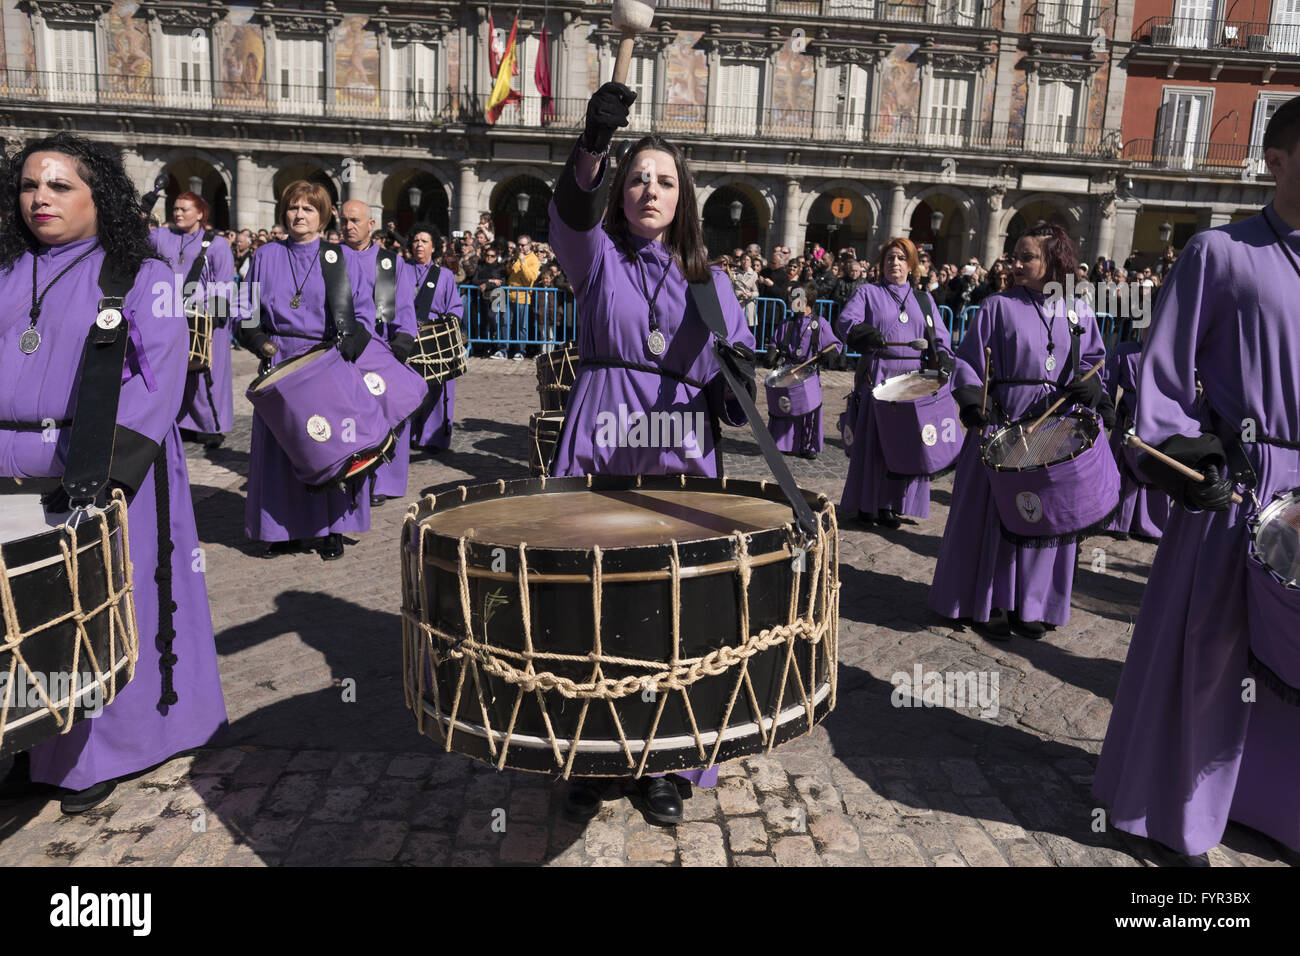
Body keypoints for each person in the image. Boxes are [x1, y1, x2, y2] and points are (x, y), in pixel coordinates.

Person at [1093, 97, 1300, 861]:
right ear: (1276, 161)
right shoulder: (1221, 252)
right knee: (1211, 654)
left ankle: (1275, 807)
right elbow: (1162, 371)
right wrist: (1186, 458)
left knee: (1294, 663)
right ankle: (1174, 812)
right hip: (1240, 482)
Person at [0, 133, 227, 813]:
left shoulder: (142, 276)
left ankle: (92, 756)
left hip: (101, 475)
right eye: (29, 186)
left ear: (101, 197)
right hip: (9, 473)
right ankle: (28, 740)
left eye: (60, 185)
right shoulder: (6, 269)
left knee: (93, 608)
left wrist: (100, 482)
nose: (40, 198)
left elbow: (156, 389)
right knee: (22, 620)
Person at [548, 82, 755, 826]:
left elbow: (734, 381)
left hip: (679, 443)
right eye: (637, 177)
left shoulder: (710, 281)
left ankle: (662, 756)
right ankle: (593, 753)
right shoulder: (595, 254)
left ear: (684, 198)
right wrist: (595, 141)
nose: (648, 189)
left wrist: (739, 388)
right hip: (603, 431)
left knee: (672, 605)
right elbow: (571, 211)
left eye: (665, 180)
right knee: (588, 601)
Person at [928, 224, 1107, 639]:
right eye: (1015, 256)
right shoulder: (996, 306)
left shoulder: (1078, 308)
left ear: (1054, 261)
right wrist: (974, 400)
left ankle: (1032, 604)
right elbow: (968, 361)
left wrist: (1091, 383)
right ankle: (987, 601)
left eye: (1027, 256)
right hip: (1002, 421)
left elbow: (1096, 358)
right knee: (994, 511)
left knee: (1045, 514)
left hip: (1055, 426)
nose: (1016, 264)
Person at [236, 181, 376, 561]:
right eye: (293, 207)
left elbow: (364, 314)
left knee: (325, 445)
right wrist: (261, 343)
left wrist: (345, 349)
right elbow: (245, 310)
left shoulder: (338, 258)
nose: (299, 215)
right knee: (281, 449)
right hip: (280, 360)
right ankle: (282, 530)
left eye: (309, 209)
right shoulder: (265, 255)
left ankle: (330, 529)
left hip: (323, 362)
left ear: (324, 215)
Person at [835, 237, 955, 528]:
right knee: (874, 443)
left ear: (911, 264)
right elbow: (845, 322)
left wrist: (944, 355)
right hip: (878, 374)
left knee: (903, 445)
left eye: (901, 258)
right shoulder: (868, 292)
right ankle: (868, 504)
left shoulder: (923, 299)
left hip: (913, 381)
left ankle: (892, 505)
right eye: (890, 258)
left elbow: (939, 335)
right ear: (882, 264)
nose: (895, 263)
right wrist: (863, 332)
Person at [338, 199, 418, 506]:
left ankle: (382, 481)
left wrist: (401, 343)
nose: (348, 226)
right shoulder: (330, 258)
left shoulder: (388, 262)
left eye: (355, 220)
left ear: (371, 224)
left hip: (380, 349)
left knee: (389, 415)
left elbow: (404, 308)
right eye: (344, 221)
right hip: (342, 351)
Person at [152, 191, 235, 449]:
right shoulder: (162, 237)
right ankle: (180, 422)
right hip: (168, 315)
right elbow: (133, 234)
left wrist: (215, 314)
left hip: (206, 319)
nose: (178, 213)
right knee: (175, 372)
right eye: (175, 208)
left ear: (200, 214)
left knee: (206, 374)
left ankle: (212, 426)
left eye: (184, 209)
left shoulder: (217, 244)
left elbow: (223, 282)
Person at [1101, 335, 1168, 541]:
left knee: (1156, 467)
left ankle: (1152, 524)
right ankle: (1118, 521)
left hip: (1158, 419)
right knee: (1123, 466)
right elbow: (1106, 382)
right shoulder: (1124, 349)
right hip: (1128, 419)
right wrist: (1107, 409)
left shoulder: (1170, 352)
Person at [406, 222, 464, 454]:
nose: (419, 245)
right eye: (416, 240)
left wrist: (449, 322)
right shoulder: (400, 269)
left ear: (433, 248)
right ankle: (407, 434)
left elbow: (455, 306)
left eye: (424, 241)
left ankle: (433, 437)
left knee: (437, 389)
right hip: (407, 334)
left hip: (436, 337)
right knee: (409, 388)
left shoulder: (445, 275)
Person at [767, 280, 842, 459]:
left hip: (808, 372)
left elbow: (835, 345)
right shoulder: (787, 323)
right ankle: (782, 442)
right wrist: (772, 353)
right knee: (785, 406)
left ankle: (808, 445)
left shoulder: (821, 324)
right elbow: (775, 341)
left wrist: (827, 354)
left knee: (809, 409)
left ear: (806, 300)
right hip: (788, 370)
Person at [506, 234, 540, 360]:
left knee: (522, 326)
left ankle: (521, 351)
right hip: (509, 295)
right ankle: (505, 350)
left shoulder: (533, 259)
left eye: (523, 245)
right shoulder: (515, 256)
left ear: (529, 245)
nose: (520, 247)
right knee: (506, 324)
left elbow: (530, 278)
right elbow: (510, 274)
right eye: (518, 244)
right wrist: (510, 264)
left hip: (523, 297)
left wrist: (522, 262)